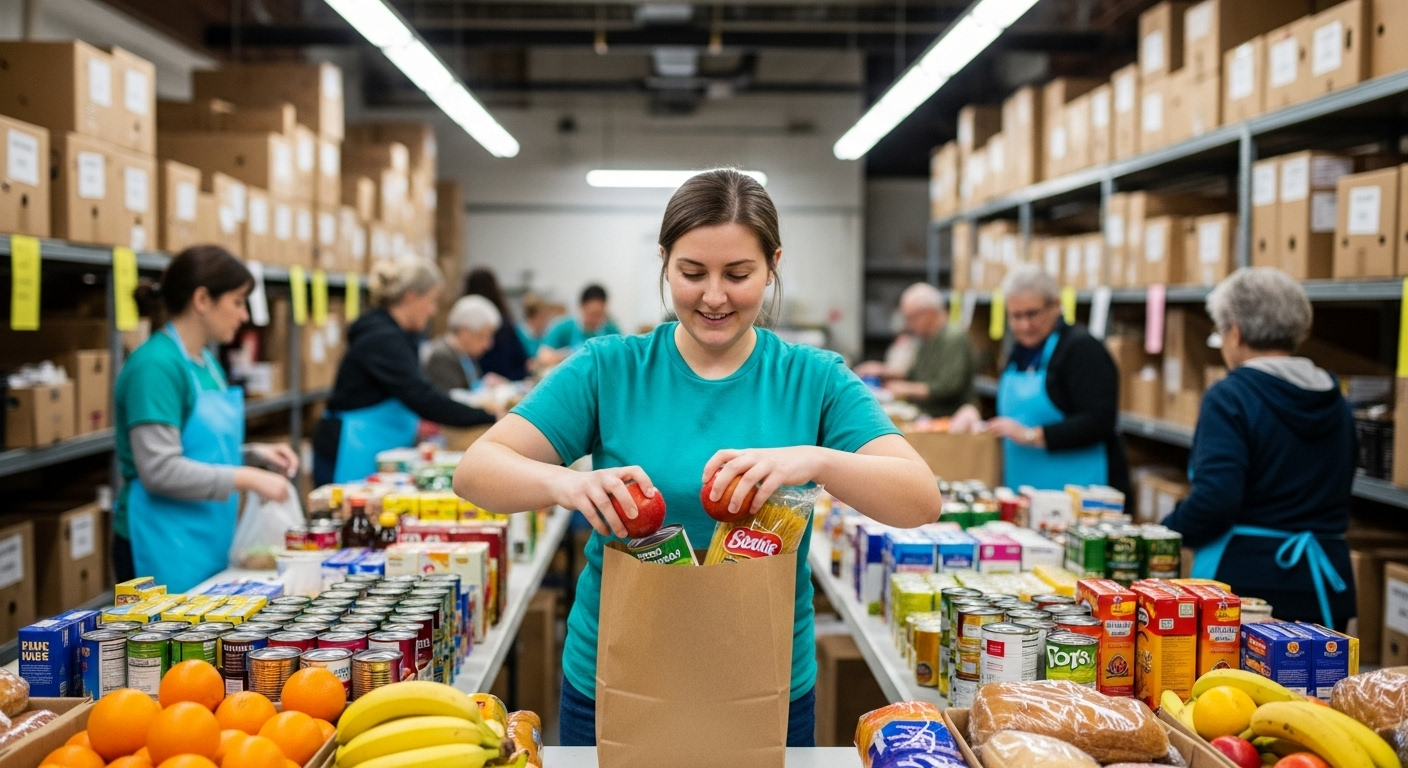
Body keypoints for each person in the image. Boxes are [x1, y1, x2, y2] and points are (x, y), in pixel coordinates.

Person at [452, 169, 941, 747]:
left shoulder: (814, 379)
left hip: (765, 684)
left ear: (773, 265)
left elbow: (920, 498)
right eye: (691, 273)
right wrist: (568, 484)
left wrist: (817, 460)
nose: (714, 296)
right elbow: (477, 470)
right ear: (664, 262)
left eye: (738, 274)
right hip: (616, 673)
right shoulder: (611, 369)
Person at [1162, 268, 1356, 630]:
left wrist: (1164, 534)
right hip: (1325, 589)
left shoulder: (1231, 396)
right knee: (1318, 689)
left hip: (1246, 594)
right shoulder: (1334, 397)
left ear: (1235, 332)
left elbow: (1216, 501)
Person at [113, 245, 299, 591]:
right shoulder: (156, 367)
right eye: (238, 302)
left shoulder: (206, 363)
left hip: (205, 538)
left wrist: (254, 454)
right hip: (162, 542)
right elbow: (159, 469)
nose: (244, 316)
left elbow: (197, 446)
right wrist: (247, 478)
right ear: (202, 300)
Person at [313, 259, 495, 485]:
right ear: (411, 296)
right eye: (431, 300)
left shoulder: (396, 336)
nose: (433, 310)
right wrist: (488, 417)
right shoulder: (382, 339)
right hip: (352, 449)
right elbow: (421, 397)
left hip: (375, 446)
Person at [973, 265, 1129, 495]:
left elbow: (1100, 420)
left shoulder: (1082, 349)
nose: (1024, 325)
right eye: (1016, 316)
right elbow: (1015, 416)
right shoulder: (1019, 352)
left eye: (1032, 314)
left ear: (1055, 306)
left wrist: (1032, 435)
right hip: (1024, 486)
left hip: (1076, 491)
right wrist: (979, 420)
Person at [856, 283, 975, 417]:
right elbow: (916, 374)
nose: (909, 325)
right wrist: (884, 371)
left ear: (929, 313)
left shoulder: (953, 338)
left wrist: (905, 389)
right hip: (926, 414)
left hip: (948, 418)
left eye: (911, 318)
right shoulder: (926, 339)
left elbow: (948, 387)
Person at [424, 295, 503, 394]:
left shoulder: (465, 355)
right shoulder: (441, 356)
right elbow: (452, 400)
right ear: (464, 331)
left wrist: (485, 384)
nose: (488, 344)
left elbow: (471, 387)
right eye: (483, 336)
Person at [464, 268, 531, 381]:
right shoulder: (504, 320)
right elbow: (522, 359)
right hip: (506, 379)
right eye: (482, 337)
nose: (488, 344)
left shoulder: (469, 319)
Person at [540, 284, 621, 352]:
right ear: (581, 307)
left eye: (599, 314)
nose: (595, 319)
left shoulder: (612, 331)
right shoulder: (564, 328)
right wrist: (570, 354)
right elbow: (544, 355)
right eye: (592, 314)